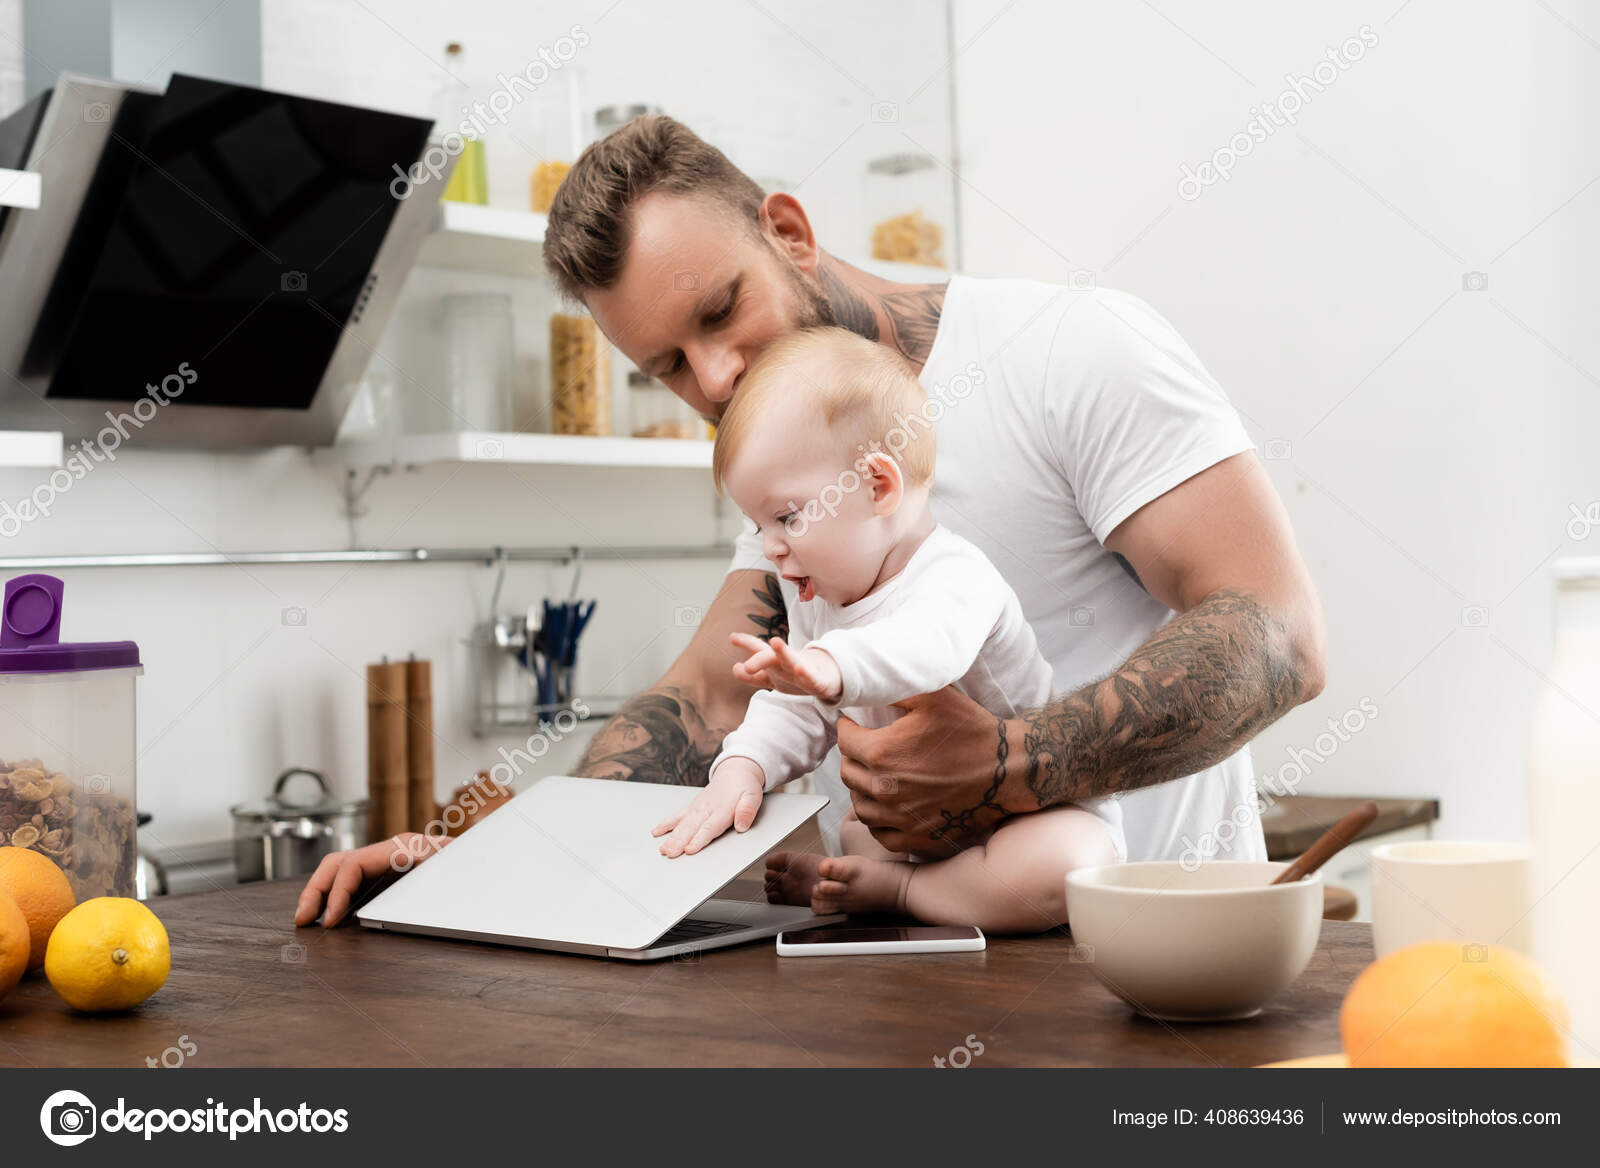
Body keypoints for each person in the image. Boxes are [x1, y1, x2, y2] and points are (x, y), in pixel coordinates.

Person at [297, 115, 1325, 930]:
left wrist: (1012, 763)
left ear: (787, 233)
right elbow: (702, 703)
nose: (712, 378)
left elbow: (1277, 634)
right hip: (907, 997)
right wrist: (491, 862)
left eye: (718, 311)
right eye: (664, 366)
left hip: (1151, 984)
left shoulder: (1068, 352)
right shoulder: (789, 468)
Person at [651, 327, 1122, 931]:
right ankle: (880, 878)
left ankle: (899, 892)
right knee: (856, 828)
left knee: (1067, 863)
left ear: (878, 486)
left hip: (1026, 818)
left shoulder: (955, 575)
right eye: (757, 523)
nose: (769, 547)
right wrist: (742, 767)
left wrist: (830, 667)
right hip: (924, 831)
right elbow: (798, 711)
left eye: (787, 517)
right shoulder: (822, 596)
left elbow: (930, 651)